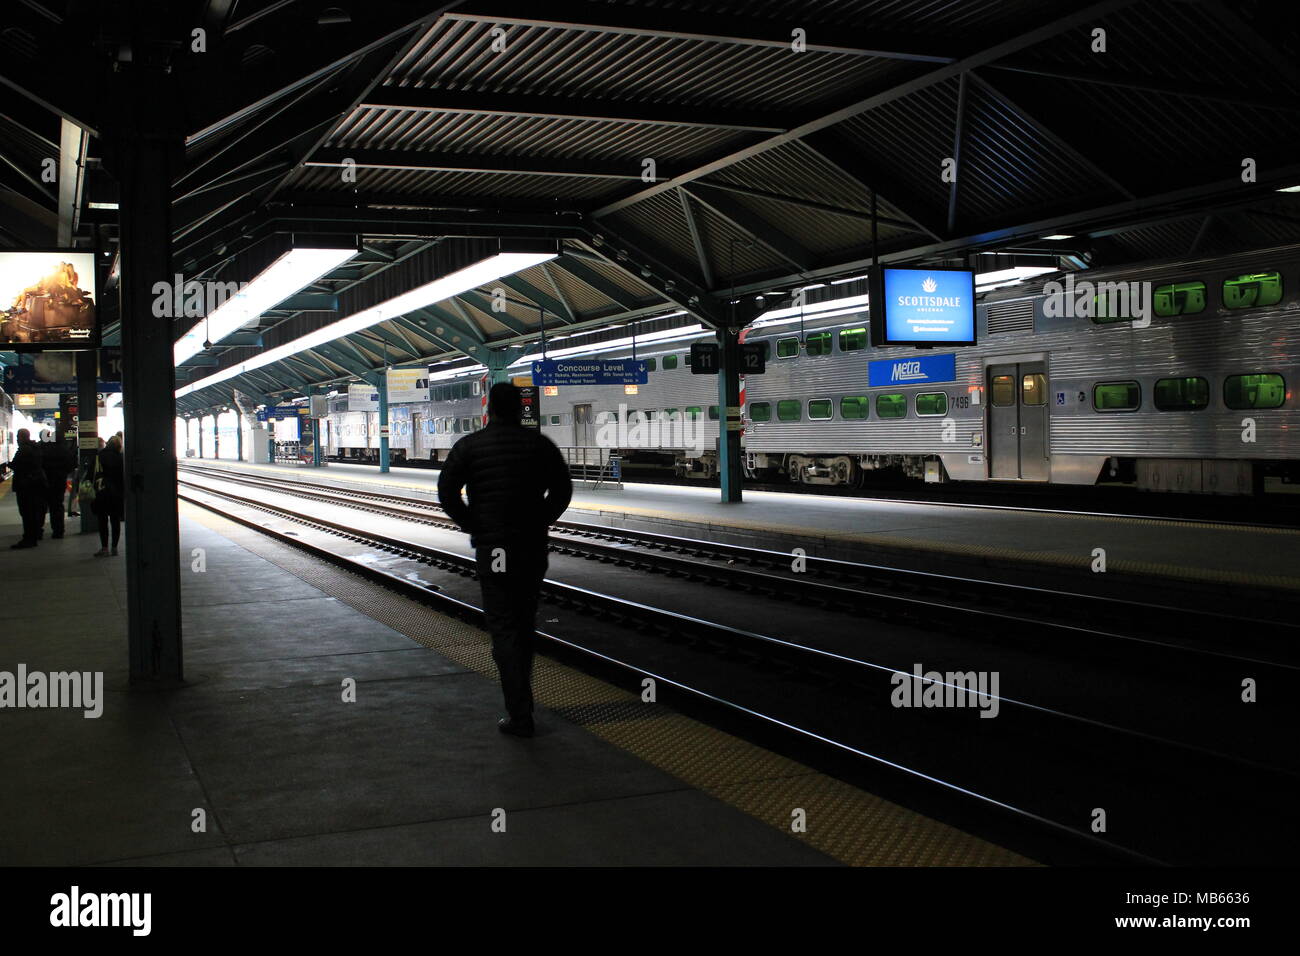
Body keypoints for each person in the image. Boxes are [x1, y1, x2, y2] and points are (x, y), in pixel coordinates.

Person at [437, 383, 572, 737]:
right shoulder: (540, 445)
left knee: (503, 626)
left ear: (490, 410)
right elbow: (562, 489)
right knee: (525, 623)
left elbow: (447, 492)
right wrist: (541, 518)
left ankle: (520, 713)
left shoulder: (470, 446)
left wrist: (474, 524)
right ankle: (522, 706)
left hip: (494, 550)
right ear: (519, 409)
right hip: (530, 546)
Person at [8, 429, 46, 549]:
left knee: (27, 513)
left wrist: (8, 465)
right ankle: (34, 535)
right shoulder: (36, 448)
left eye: (18, 437)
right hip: (35, 484)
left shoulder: (24, 449)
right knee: (33, 512)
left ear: (22, 437)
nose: (17, 439)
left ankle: (29, 539)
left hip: (26, 485)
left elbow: (16, 465)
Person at [91, 434, 125, 557]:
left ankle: (104, 548)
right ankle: (114, 548)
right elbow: (123, 478)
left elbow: (91, 474)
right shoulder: (121, 459)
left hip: (101, 493)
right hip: (116, 494)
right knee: (115, 520)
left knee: (102, 521)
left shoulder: (99, 456)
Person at [40, 436, 74, 539]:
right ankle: (58, 531)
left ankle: (38, 531)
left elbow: (41, 465)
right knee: (58, 506)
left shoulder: (45, 450)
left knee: (42, 507)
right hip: (59, 482)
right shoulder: (64, 451)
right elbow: (70, 465)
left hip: (47, 482)